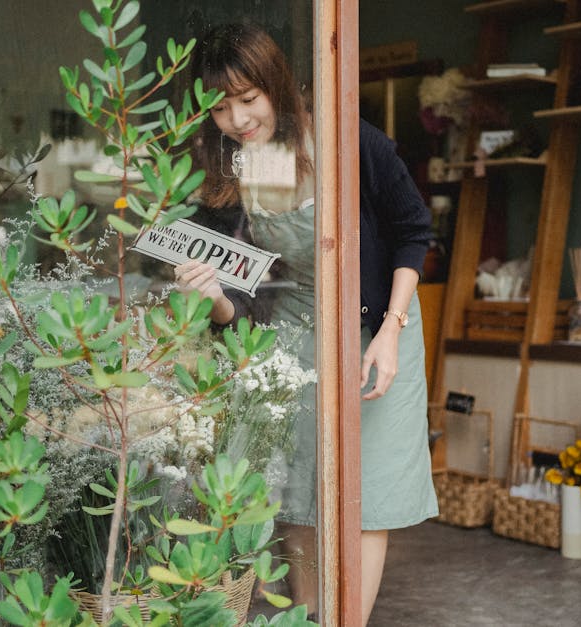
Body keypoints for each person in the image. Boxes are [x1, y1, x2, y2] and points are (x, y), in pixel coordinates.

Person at [173, 22, 438, 626]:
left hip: (379, 322)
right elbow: (238, 301)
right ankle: (308, 617)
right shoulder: (234, 165)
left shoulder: (349, 142)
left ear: (276, 87)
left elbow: (413, 232)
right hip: (292, 329)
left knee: (367, 490)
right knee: (296, 484)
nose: (238, 119)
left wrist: (392, 333)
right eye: (221, 108)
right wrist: (211, 295)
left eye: (249, 99)